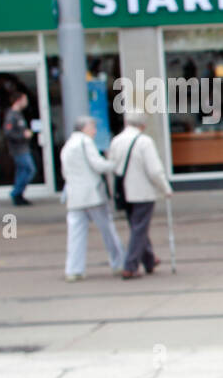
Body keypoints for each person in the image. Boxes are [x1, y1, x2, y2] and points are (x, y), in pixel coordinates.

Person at [108, 111, 173, 280]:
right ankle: (130, 266)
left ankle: (149, 259)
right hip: (142, 191)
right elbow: (154, 170)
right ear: (143, 125)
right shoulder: (144, 142)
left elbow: (113, 166)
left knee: (137, 226)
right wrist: (165, 188)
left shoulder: (116, 141)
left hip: (123, 191)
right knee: (139, 228)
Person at [59, 116, 124, 281]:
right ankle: (119, 262)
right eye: (93, 128)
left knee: (76, 234)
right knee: (107, 230)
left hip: (75, 196)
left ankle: (74, 269)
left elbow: (65, 172)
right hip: (92, 195)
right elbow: (98, 165)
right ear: (84, 128)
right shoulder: (85, 143)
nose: (94, 131)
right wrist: (115, 164)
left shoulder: (67, 145)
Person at [3, 92, 36, 205]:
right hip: (18, 150)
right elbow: (8, 133)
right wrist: (23, 135)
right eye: (24, 99)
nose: (26, 102)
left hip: (23, 148)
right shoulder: (12, 115)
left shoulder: (18, 114)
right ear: (19, 100)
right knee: (29, 169)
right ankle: (16, 193)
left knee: (23, 171)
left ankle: (19, 195)